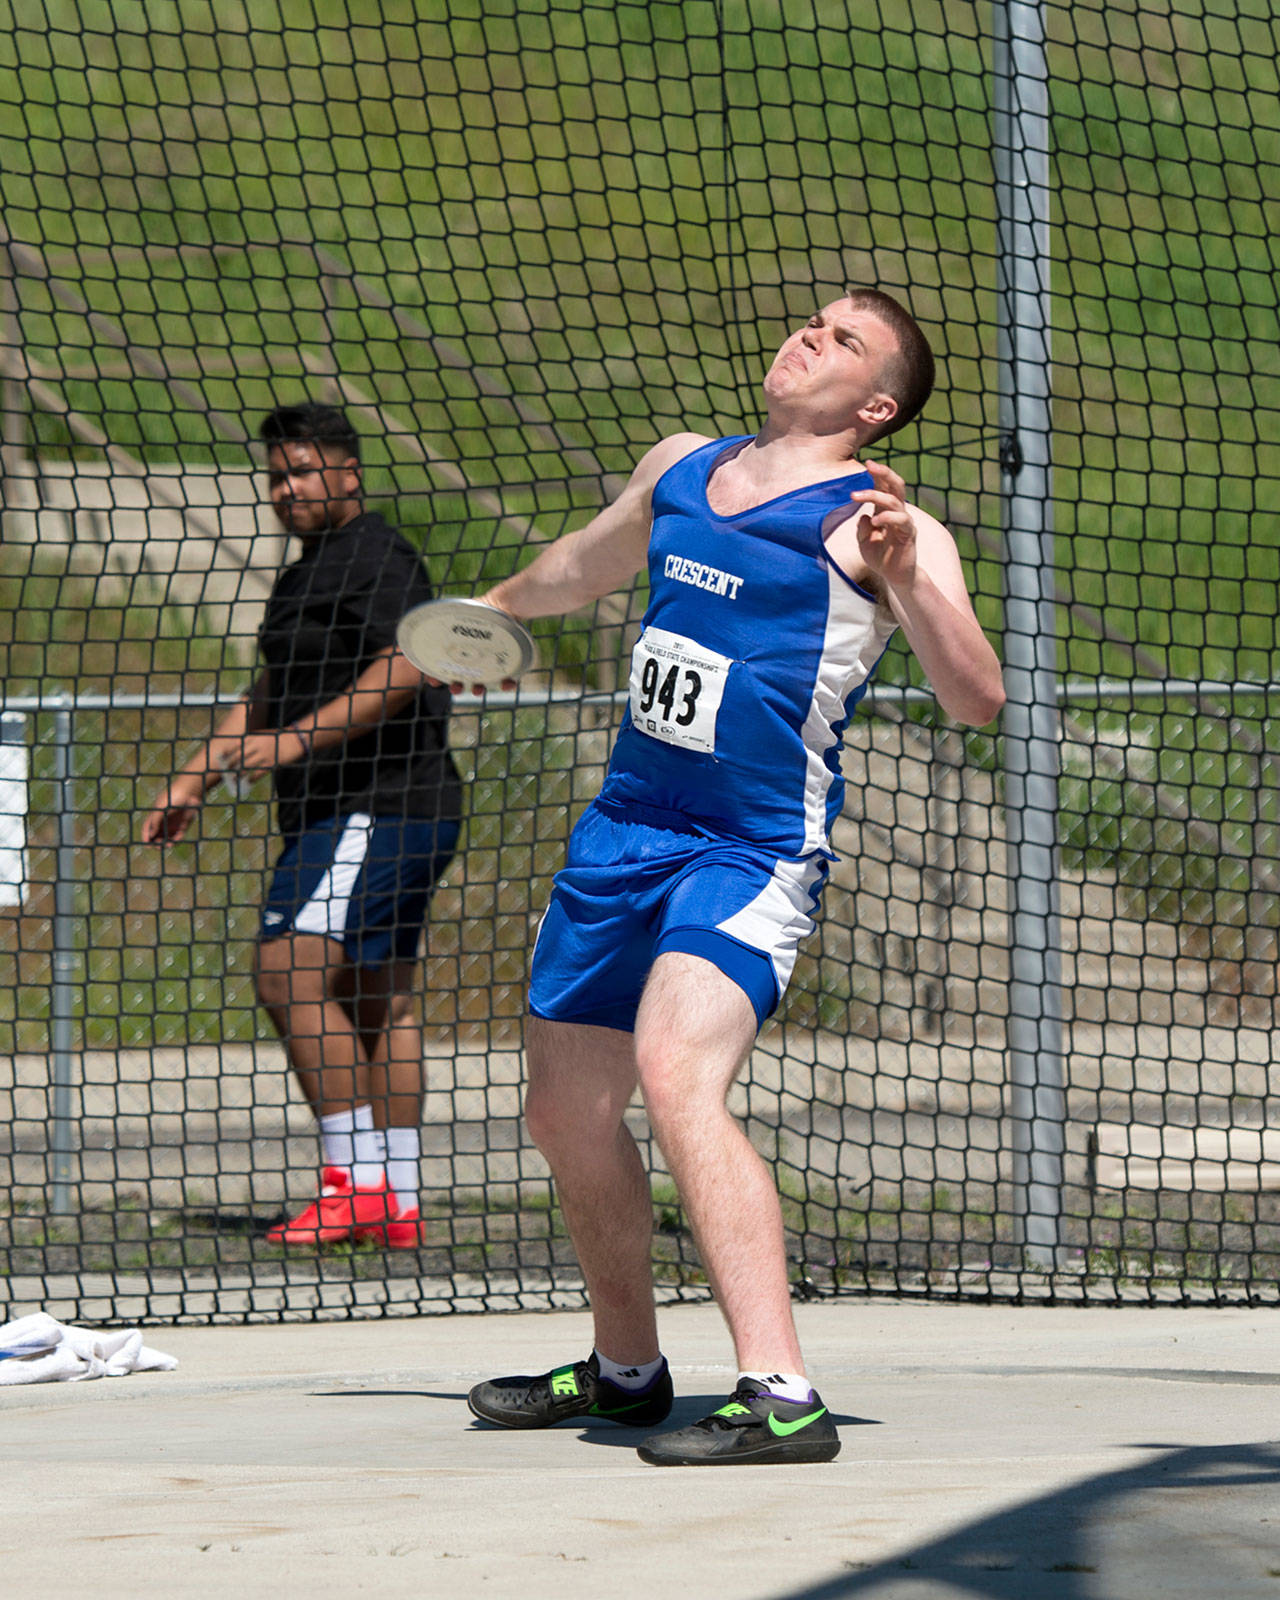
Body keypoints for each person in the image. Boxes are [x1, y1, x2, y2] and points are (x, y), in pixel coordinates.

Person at [462, 291, 1006, 1465]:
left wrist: (906, 572)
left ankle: (781, 1391)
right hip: (623, 831)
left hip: (746, 845)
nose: (808, 335)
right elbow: (574, 567)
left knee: (674, 1069)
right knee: (562, 1113)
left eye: (843, 340)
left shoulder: (872, 523)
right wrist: (483, 617)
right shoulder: (680, 466)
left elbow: (976, 698)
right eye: (812, 320)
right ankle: (624, 1373)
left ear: (874, 407)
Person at [142, 402, 463, 1249]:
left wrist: (292, 742)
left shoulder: (378, 556)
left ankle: (351, 1184)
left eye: (302, 472)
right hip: (357, 812)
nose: (285, 489)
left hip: (380, 805)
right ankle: (393, 1201)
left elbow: (409, 660)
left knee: (286, 973)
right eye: (276, 476)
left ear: (348, 474)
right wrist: (191, 779)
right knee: (373, 999)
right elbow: (265, 696)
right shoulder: (302, 572)